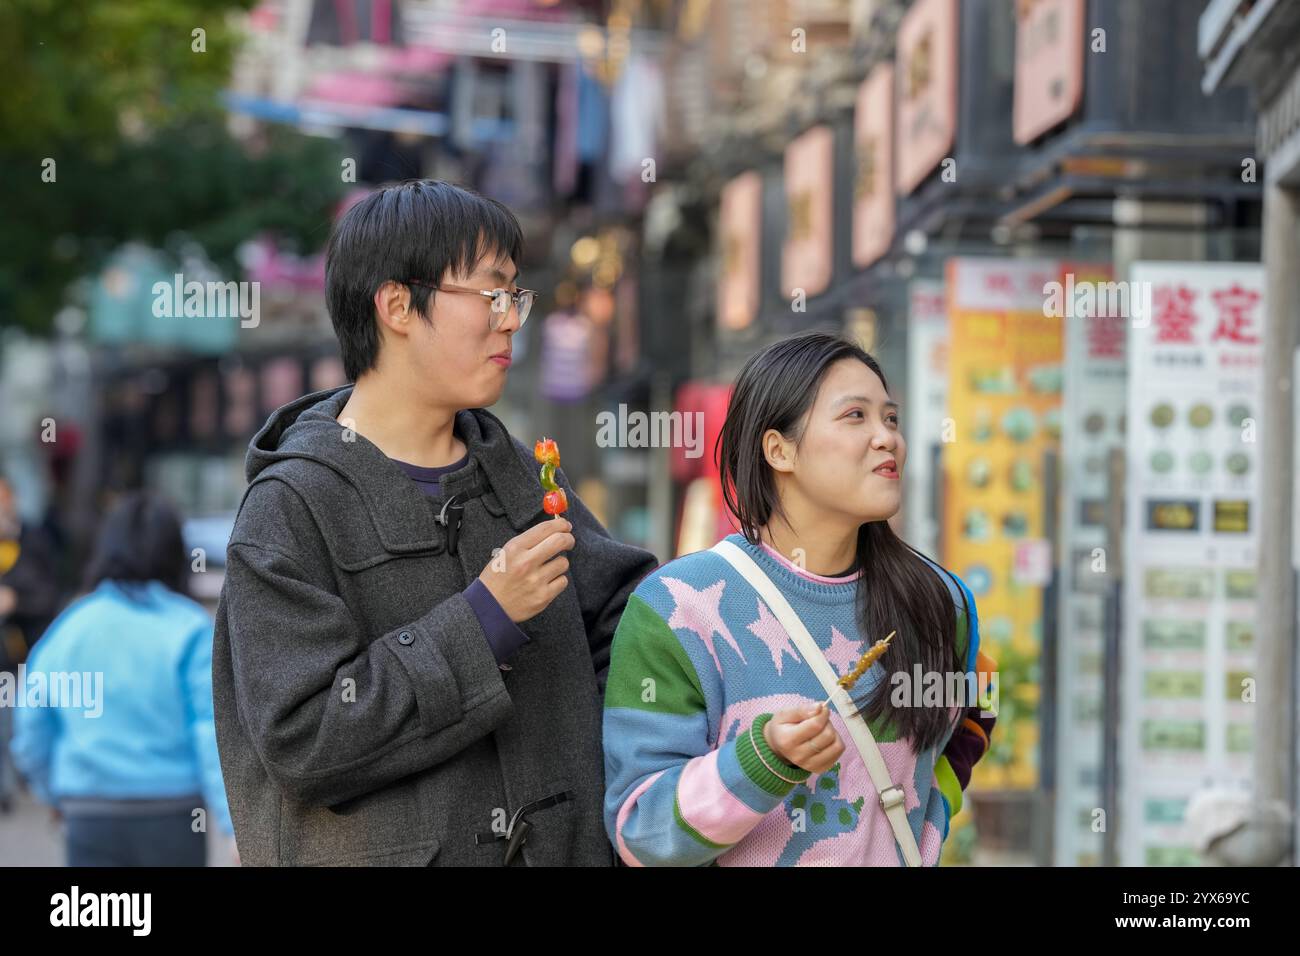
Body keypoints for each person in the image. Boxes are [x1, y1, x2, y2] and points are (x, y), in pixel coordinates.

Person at [213, 179, 657, 866]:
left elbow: (625, 627)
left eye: (517, 297)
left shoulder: (515, 471)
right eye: (491, 295)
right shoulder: (291, 505)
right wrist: (482, 622)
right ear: (396, 305)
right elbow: (302, 741)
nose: (511, 320)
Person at [603, 332, 997, 866]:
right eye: (855, 416)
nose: (887, 438)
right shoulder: (678, 607)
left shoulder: (939, 603)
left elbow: (981, 704)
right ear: (779, 449)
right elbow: (640, 830)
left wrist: (926, 819)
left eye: (891, 418)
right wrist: (759, 764)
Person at [10, 492, 234, 865]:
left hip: (89, 814)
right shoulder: (190, 628)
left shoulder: (69, 627)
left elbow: (30, 728)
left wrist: (54, 794)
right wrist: (232, 826)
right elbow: (211, 733)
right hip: (172, 815)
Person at [0, 473, 61, 814]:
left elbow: (47, 594)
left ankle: (10, 786)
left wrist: (14, 599)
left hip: (18, 655)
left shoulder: (33, 541)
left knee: (12, 725)